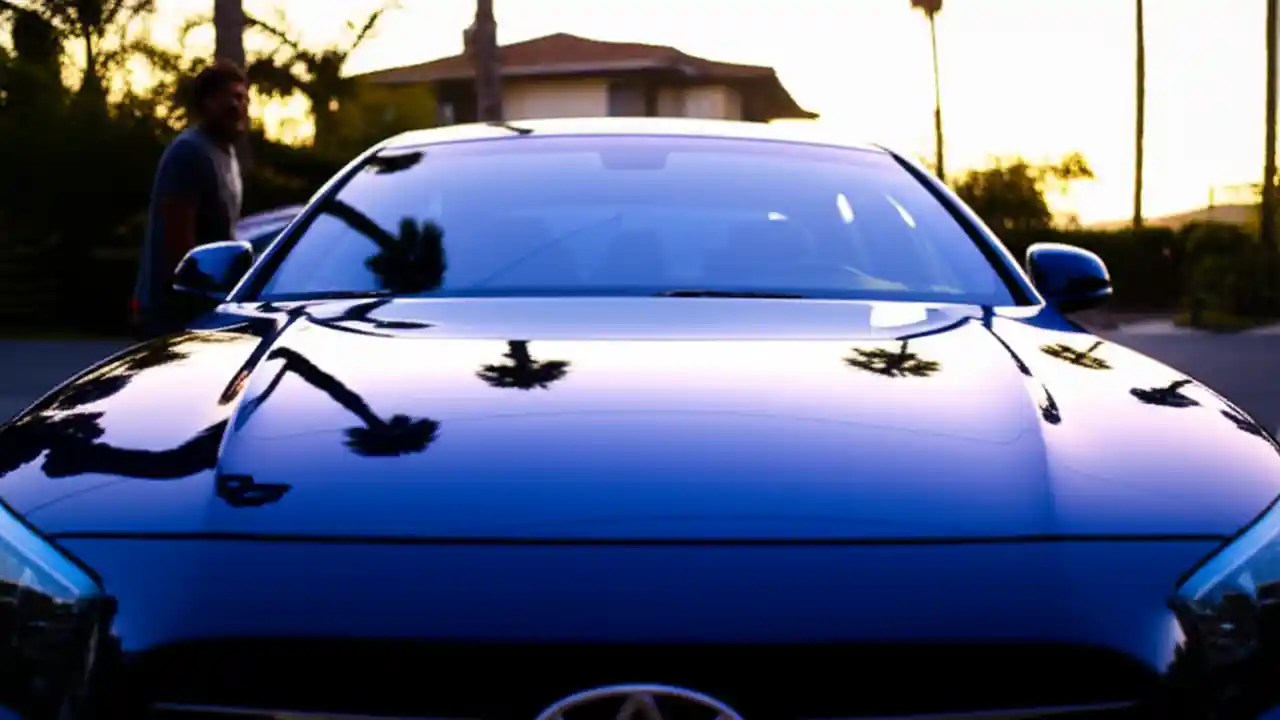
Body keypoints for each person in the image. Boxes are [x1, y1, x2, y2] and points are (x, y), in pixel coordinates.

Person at [132, 60, 248, 338]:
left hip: (208, 308)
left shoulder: (226, 154)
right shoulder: (189, 153)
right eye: (225, 97)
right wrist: (198, 290)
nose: (235, 105)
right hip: (175, 315)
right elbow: (177, 239)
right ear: (205, 103)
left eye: (241, 97)